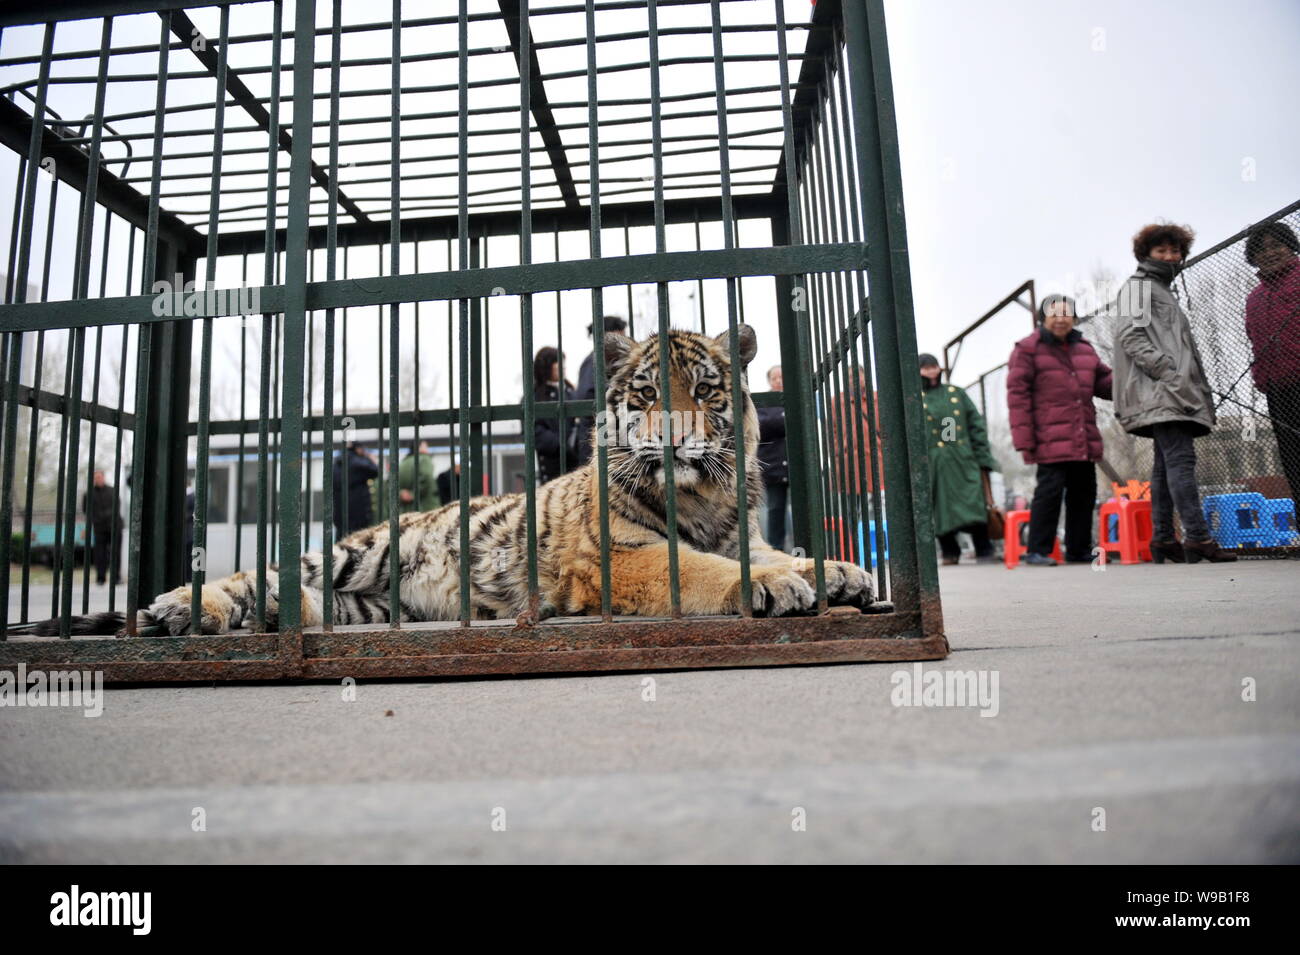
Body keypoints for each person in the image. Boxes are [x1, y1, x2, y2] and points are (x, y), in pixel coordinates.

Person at [1112, 222, 1235, 563]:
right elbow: (1130, 336)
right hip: (1162, 390)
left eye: (1174, 250)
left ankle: (1164, 538)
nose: (1170, 255)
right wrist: (1169, 372)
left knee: (1166, 465)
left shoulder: (1163, 290)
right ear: (1146, 254)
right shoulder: (1139, 287)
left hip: (1168, 390)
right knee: (1181, 461)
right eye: (1161, 250)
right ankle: (1197, 538)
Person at [1007, 294, 1113, 566]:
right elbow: (1017, 396)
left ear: (1075, 318)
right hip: (1048, 437)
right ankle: (1037, 550)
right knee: (1049, 493)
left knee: (1084, 492)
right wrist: (1024, 440)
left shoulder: (1085, 348)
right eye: (1054, 313)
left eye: (1067, 313)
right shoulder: (1027, 349)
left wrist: (1129, 379)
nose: (1061, 318)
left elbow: (1103, 382)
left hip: (1082, 434)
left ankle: (1078, 550)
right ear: (1044, 318)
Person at [919, 353, 997, 565]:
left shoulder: (954, 393)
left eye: (933, 366)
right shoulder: (915, 397)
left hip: (962, 457)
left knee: (973, 501)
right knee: (940, 505)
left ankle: (984, 548)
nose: (931, 371)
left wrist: (982, 456)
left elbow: (974, 426)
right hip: (934, 461)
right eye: (925, 368)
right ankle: (949, 551)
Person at [1243, 221, 1300, 507]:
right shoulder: (1254, 298)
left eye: (1277, 245)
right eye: (1261, 249)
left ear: (1290, 246)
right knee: (1293, 463)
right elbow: (1253, 339)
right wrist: (1260, 377)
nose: (1270, 253)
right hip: (1277, 389)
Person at [573, 315, 628, 467]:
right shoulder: (594, 362)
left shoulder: (597, 360)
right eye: (621, 334)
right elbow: (586, 398)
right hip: (595, 437)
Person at [532, 346, 578, 485]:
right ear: (546, 366)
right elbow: (535, 433)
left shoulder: (571, 392)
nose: (563, 366)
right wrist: (563, 446)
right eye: (558, 362)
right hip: (553, 467)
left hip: (577, 465)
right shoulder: (535, 396)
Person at [757, 365, 789, 550]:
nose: (778, 380)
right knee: (775, 510)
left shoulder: (795, 398)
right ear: (769, 381)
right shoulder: (763, 402)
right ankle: (777, 550)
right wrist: (785, 419)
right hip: (773, 468)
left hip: (795, 467)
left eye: (782, 377)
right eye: (774, 378)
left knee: (804, 508)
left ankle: (804, 548)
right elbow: (761, 426)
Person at [81, 469, 122, 585]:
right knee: (100, 553)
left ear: (103, 477)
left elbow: (117, 507)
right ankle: (100, 577)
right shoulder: (88, 494)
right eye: (96, 477)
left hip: (114, 526)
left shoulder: (112, 491)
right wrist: (97, 519)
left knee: (115, 553)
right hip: (99, 528)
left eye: (99, 477)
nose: (98, 479)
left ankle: (116, 577)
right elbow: (86, 510)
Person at [332, 442, 378, 540]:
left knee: (341, 540)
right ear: (358, 449)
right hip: (359, 511)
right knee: (360, 540)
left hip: (340, 511)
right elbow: (375, 471)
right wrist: (371, 459)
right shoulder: (358, 462)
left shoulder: (336, 463)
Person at [397, 438, 438, 514]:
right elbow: (426, 476)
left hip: (407, 510)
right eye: (426, 446)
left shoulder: (403, 463)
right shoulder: (424, 459)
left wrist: (400, 493)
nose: (427, 449)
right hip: (426, 508)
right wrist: (413, 494)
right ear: (419, 447)